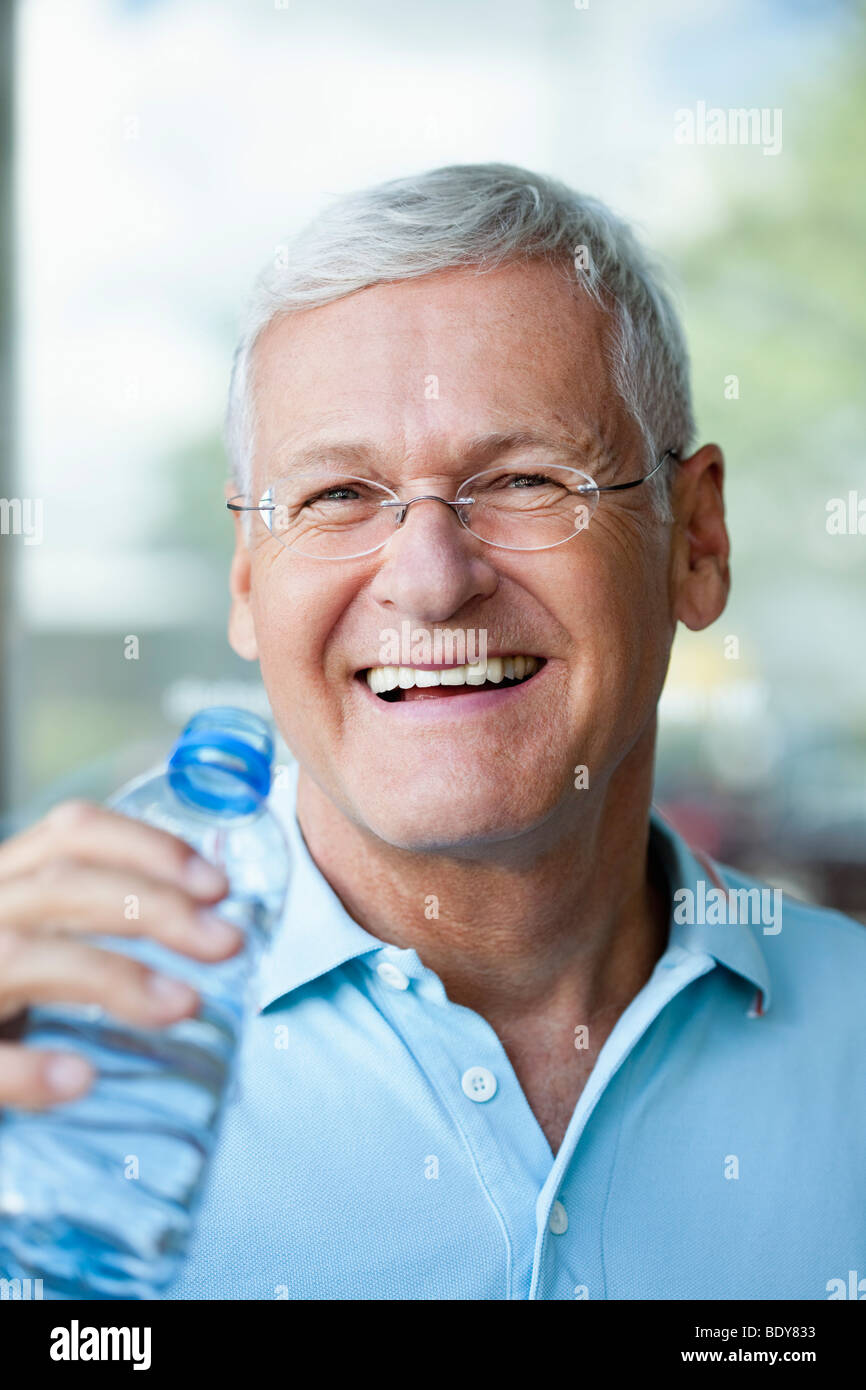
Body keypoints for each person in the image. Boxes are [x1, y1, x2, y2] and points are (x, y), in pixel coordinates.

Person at [1, 165, 863, 1300]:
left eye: (521, 479)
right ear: (249, 579)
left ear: (692, 541)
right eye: (337, 497)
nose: (430, 578)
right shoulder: (57, 1058)